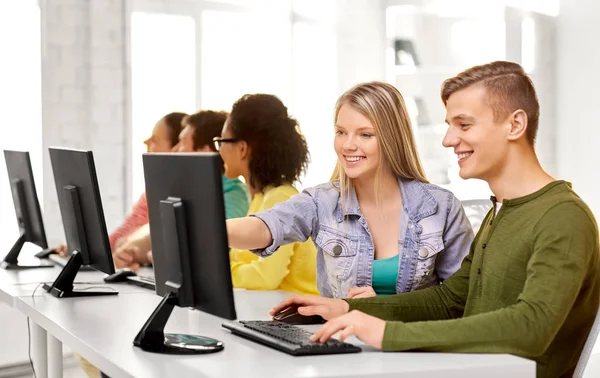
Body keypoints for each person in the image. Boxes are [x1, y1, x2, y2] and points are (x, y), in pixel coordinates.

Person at [270, 62, 600, 378]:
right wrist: (347, 309)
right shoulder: (501, 211)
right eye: (449, 125)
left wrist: (389, 334)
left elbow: (531, 328)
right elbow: (450, 300)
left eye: (464, 125)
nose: (448, 140)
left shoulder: (563, 218)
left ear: (515, 125)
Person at [225, 82, 473, 299]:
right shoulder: (322, 202)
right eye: (341, 132)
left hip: (417, 347)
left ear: (392, 139)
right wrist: (204, 229)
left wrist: (387, 308)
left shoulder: (441, 208)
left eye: (365, 134)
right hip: (343, 347)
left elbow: (459, 299)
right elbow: (266, 226)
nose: (348, 145)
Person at [113, 110, 250, 269]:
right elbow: (160, 232)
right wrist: (131, 248)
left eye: (183, 142)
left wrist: (152, 254)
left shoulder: (233, 195)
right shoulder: (190, 192)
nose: (175, 150)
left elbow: (205, 249)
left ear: (204, 151)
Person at [211, 93, 319, 295]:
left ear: (242, 148)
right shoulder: (261, 198)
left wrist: (216, 273)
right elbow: (238, 260)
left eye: (221, 141)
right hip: (269, 308)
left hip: (300, 318)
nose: (220, 151)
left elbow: (264, 277)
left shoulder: (281, 198)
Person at [52, 112, 187, 258]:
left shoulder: (175, 195)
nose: (146, 142)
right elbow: (123, 234)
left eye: (155, 139)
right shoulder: (151, 192)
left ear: (176, 149)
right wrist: (84, 252)